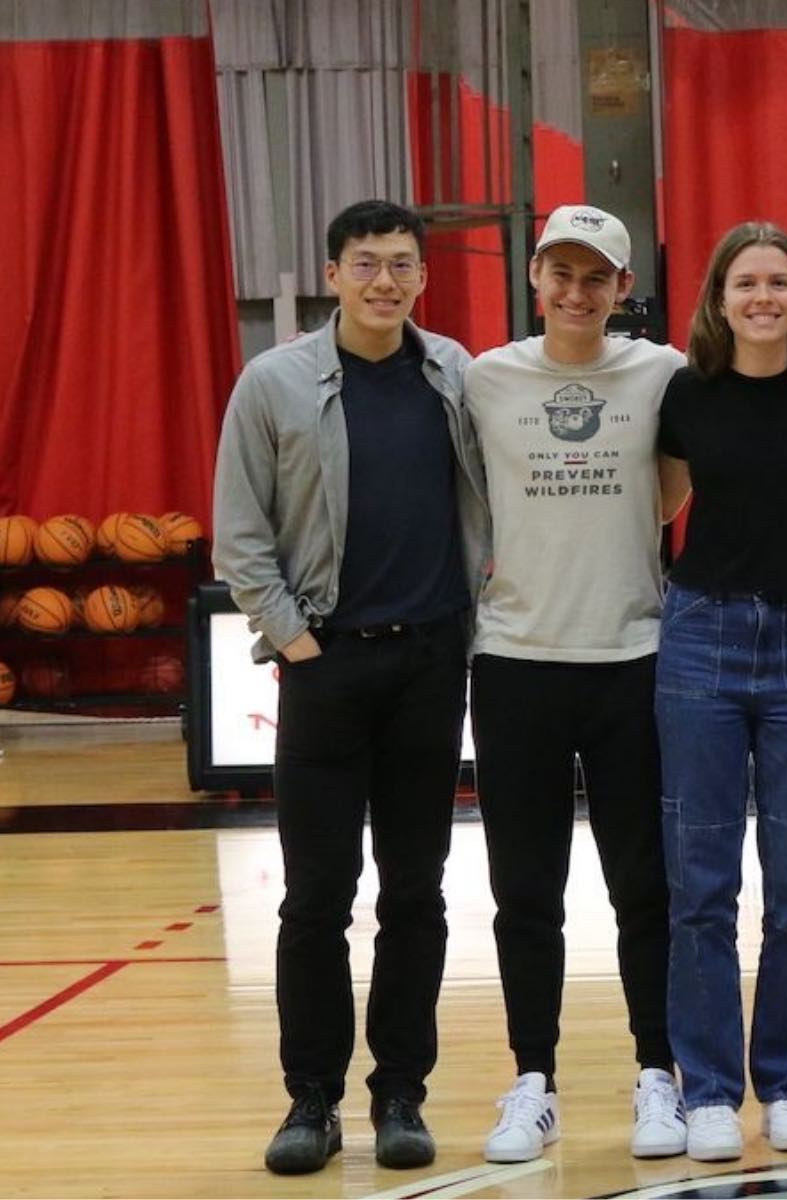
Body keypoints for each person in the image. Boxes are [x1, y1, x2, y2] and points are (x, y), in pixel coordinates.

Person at [214, 199, 488, 1175]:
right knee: (316, 895)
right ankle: (312, 1100)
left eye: (402, 264)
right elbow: (240, 534)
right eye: (366, 263)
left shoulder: (457, 374)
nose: (385, 280)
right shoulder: (275, 383)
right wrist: (295, 644)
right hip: (326, 666)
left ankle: (402, 1093)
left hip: (429, 663)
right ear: (332, 273)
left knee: (417, 892)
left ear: (423, 276)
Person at [462, 204, 687, 1162]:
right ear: (535, 278)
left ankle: (658, 1076)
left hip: (633, 660)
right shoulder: (485, 377)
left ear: (623, 291)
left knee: (645, 886)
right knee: (527, 891)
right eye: (561, 272)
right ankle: (533, 1080)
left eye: (597, 277)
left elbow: (673, 486)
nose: (576, 292)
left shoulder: (663, 372)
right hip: (514, 663)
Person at [652, 221, 787, 1162]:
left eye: (779, 281)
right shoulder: (685, 395)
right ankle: (710, 1091)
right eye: (745, 283)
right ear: (718, 300)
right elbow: (656, 506)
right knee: (700, 883)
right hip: (702, 638)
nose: (763, 297)